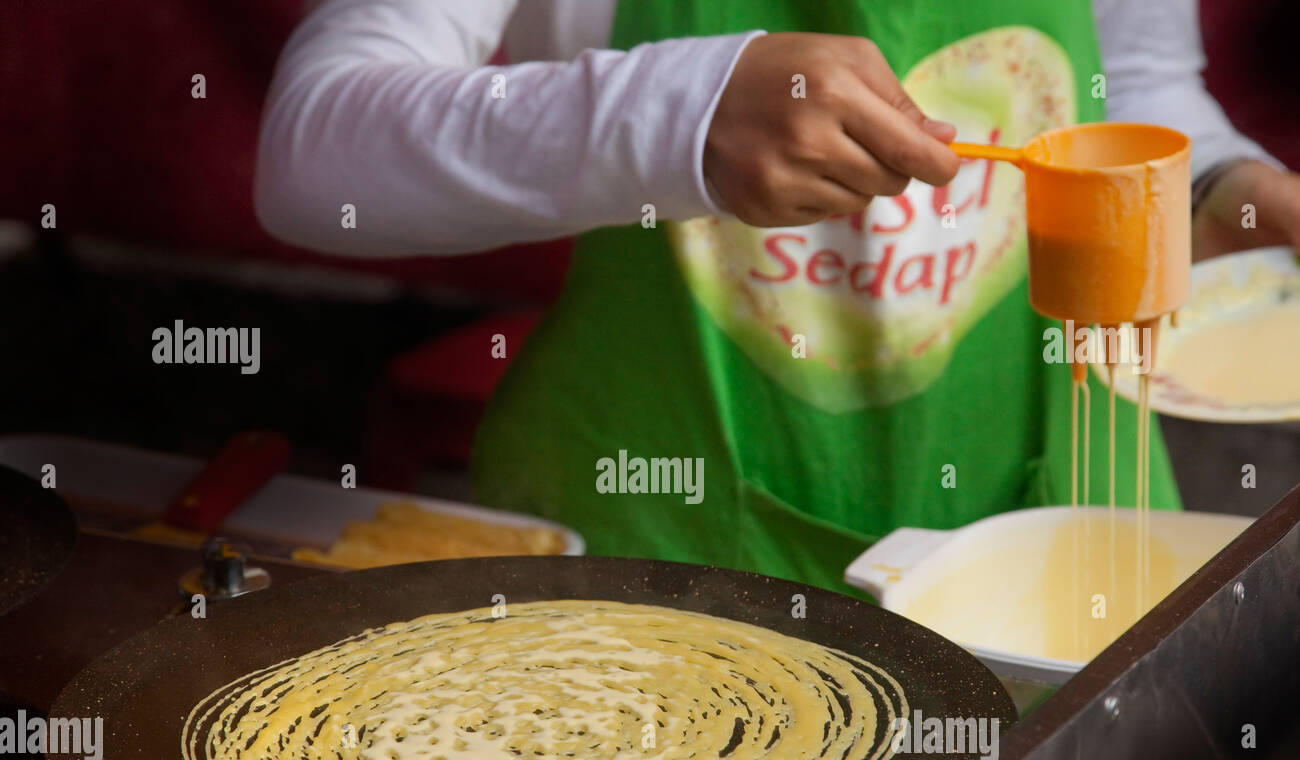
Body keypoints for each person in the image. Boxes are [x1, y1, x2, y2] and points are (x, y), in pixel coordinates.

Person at [255, 0, 1300, 594]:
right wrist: (676, 117)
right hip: (664, 559)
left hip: (1057, 526)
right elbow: (313, 151)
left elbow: (1137, 74)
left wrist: (1219, 186)